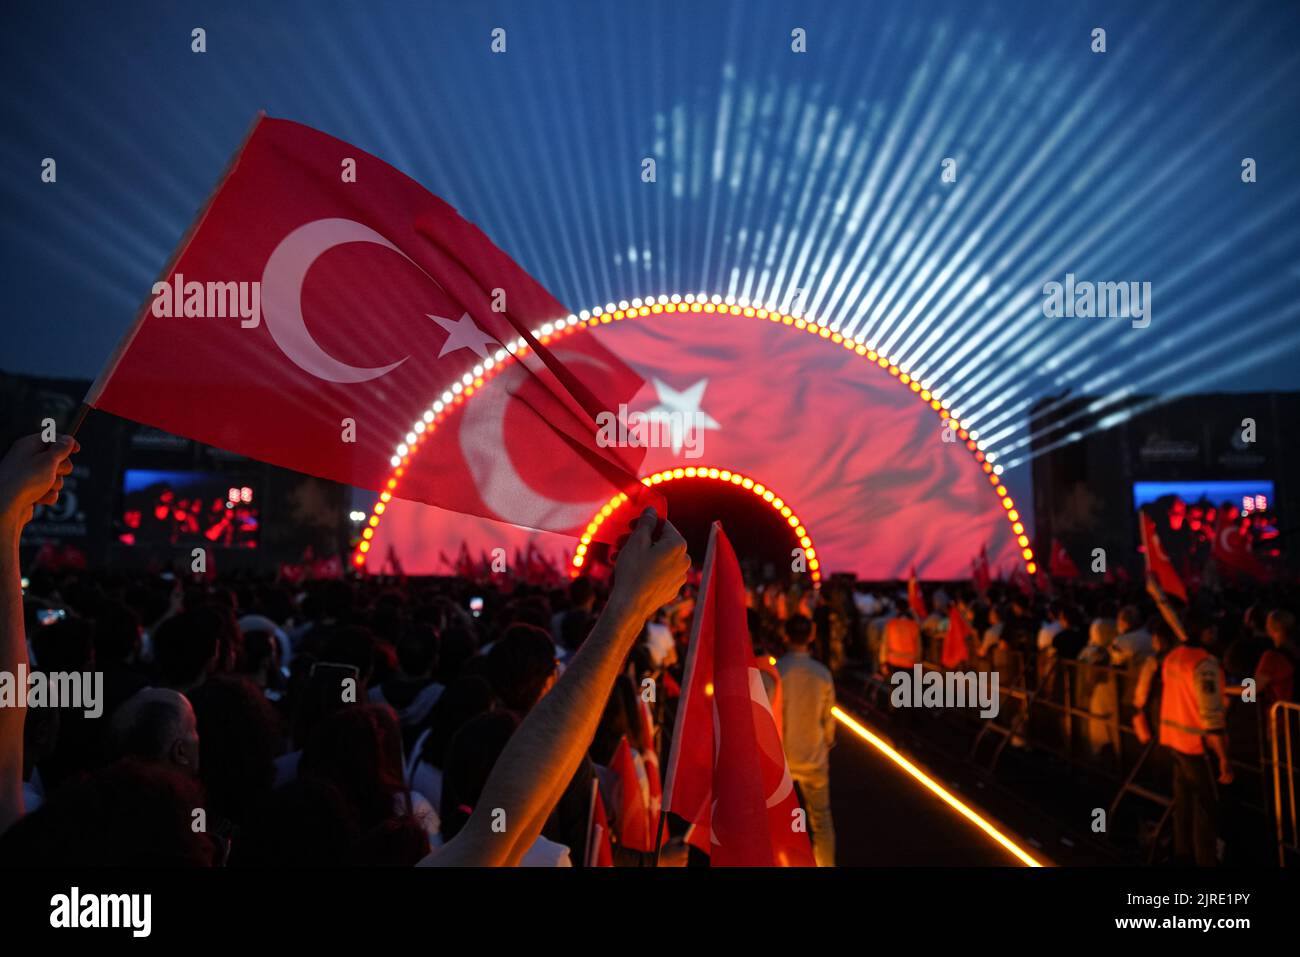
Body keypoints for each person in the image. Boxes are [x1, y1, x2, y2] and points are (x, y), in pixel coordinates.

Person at [422, 506, 688, 866]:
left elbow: (490, 839)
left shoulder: (463, 737)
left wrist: (629, 609)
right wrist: (629, 608)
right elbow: (541, 840)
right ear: (550, 679)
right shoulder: (566, 765)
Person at [1147, 574, 1232, 866]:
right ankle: (1206, 861)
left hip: (1172, 741)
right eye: (1212, 630)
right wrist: (1224, 759)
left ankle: (1182, 855)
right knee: (1207, 807)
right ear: (1206, 633)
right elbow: (1211, 715)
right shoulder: (1205, 664)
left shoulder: (1174, 657)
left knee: (1183, 803)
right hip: (1196, 746)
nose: (1215, 635)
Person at [776, 613, 836, 867]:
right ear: (811, 637)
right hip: (814, 757)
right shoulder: (822, 673)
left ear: (785, 636)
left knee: (781, 821)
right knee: (821, 820)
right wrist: (827, 743)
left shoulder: (777, 671)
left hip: (782, 761)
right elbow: (828, 719)